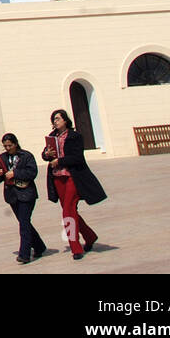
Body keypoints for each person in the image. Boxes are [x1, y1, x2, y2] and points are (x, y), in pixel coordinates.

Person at [42, 109, 107, 260]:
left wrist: (60, 161)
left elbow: (77, 157)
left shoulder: (75, 136)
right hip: (57, 177)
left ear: (65, 120)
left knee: (67, 212)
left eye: (58, 118)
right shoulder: (52, 137)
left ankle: (75, 247)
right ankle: (89, 237)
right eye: (54, 119)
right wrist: (47, 155)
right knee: (70, 211)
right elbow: (45, 154)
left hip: (72, 176)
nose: (55, 121)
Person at [0, 132, 46, 264]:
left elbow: (32, 172)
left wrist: (15, 173)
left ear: (15, 144)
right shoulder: (2, 158)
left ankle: (24, 254)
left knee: (24, 224)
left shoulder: (26, 156)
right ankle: (39, 246)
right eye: (5, 146)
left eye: (10, 145)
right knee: (24, 222)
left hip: (26, 194)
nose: (8, 148)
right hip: (12, 195)